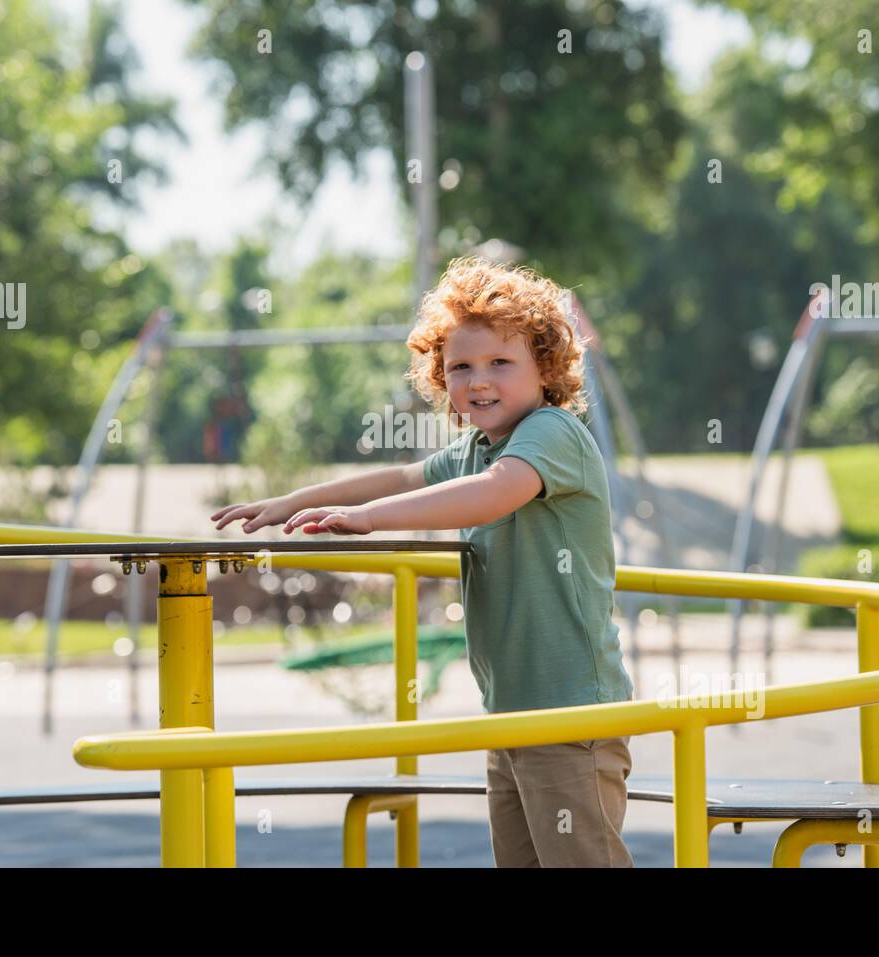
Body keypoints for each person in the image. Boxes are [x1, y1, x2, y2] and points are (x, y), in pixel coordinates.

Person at [210, 256, 635, 867]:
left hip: (572, 714)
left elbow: (496, 491)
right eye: (460, 366)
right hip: (510, 713)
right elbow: (400, 475)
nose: (478, 380)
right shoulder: (474, 448)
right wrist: (294, 501)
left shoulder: (550, 433)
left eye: (500, 363)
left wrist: (372, 519)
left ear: (545, 370)